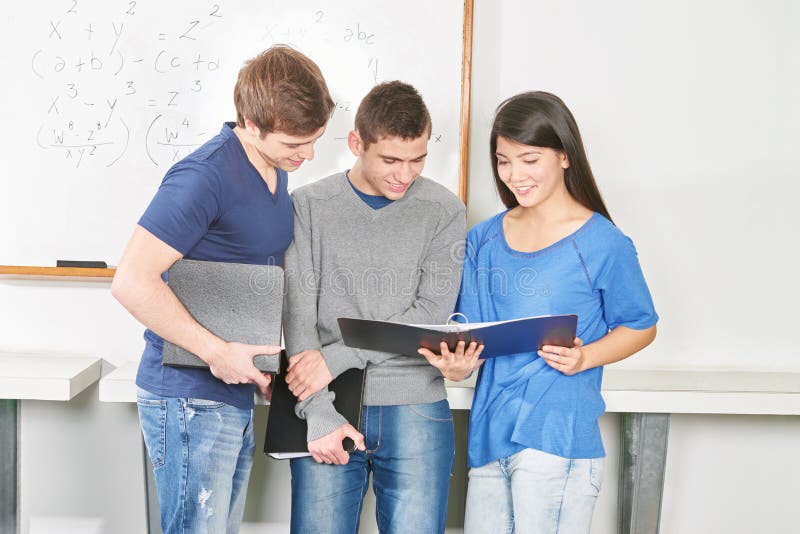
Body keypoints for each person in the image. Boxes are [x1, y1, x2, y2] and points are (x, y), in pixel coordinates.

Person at [110, 45, 334, 534]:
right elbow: (131, 281)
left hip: (232, 391)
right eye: (295, 142)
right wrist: (217, 352)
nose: (308, 154)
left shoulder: (273, 168)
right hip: (189, 397)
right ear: (251, 123)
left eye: (314, 140)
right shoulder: (204, 176)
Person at [454, 91, 658, 534]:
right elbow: (468, 335)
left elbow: (641, 325)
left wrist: (586, 357)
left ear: (564, 156)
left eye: (529, 159)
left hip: (556, 436)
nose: (514, 175)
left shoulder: (603, 243)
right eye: (503, 161)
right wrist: (456, 365)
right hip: (488, 438)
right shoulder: (482, 240)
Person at [282, 80, 478, 534]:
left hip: (416, 406)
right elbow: (298, 319)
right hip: (328, 402)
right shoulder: (308, 206)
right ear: (356, 143)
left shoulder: (444, 210)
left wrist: (338, 356)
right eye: (390, 160)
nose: (404, 175)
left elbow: (429, 314)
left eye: (417, 159)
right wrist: (318, 411)